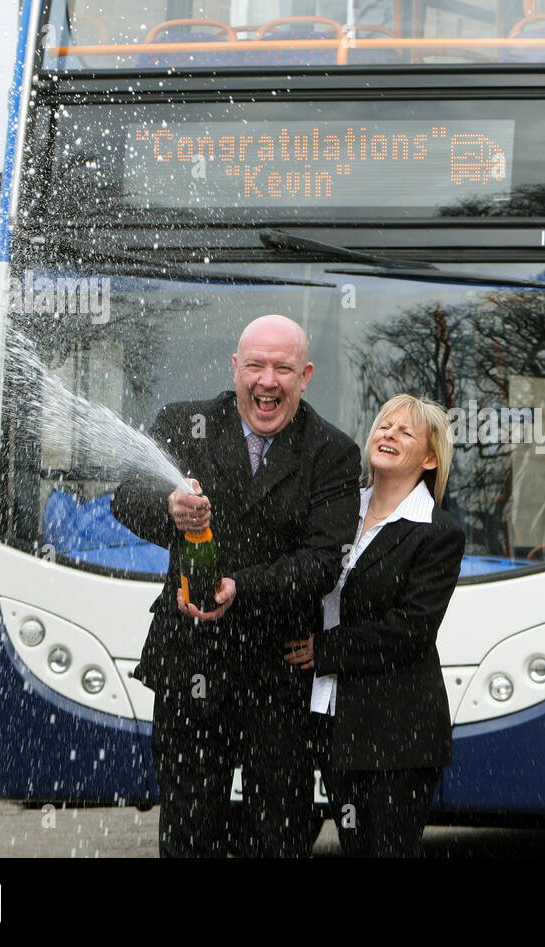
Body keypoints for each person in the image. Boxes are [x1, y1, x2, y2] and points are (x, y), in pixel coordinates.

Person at [112, 314, 360, 857]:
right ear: (236, 368)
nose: (267, 380)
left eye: (282, 368)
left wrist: (238, 588)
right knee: (188, 828)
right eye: (256, 365)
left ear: (305, 375)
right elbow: (125, 497)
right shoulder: (185, 423)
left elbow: (324, 562)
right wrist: (169, 509)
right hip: (190, 669)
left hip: (281, 678)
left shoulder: (333, 452)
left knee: (282, 830)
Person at [287, 394, 465, 857]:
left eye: (405, 432)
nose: (388, 434)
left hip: (398, 729)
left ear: (429, 458)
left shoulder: (437, 531)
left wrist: (324, 651)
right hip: (332, 719)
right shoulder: (336, 509)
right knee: (354, 846)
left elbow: (411, 629)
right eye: (384, 426)